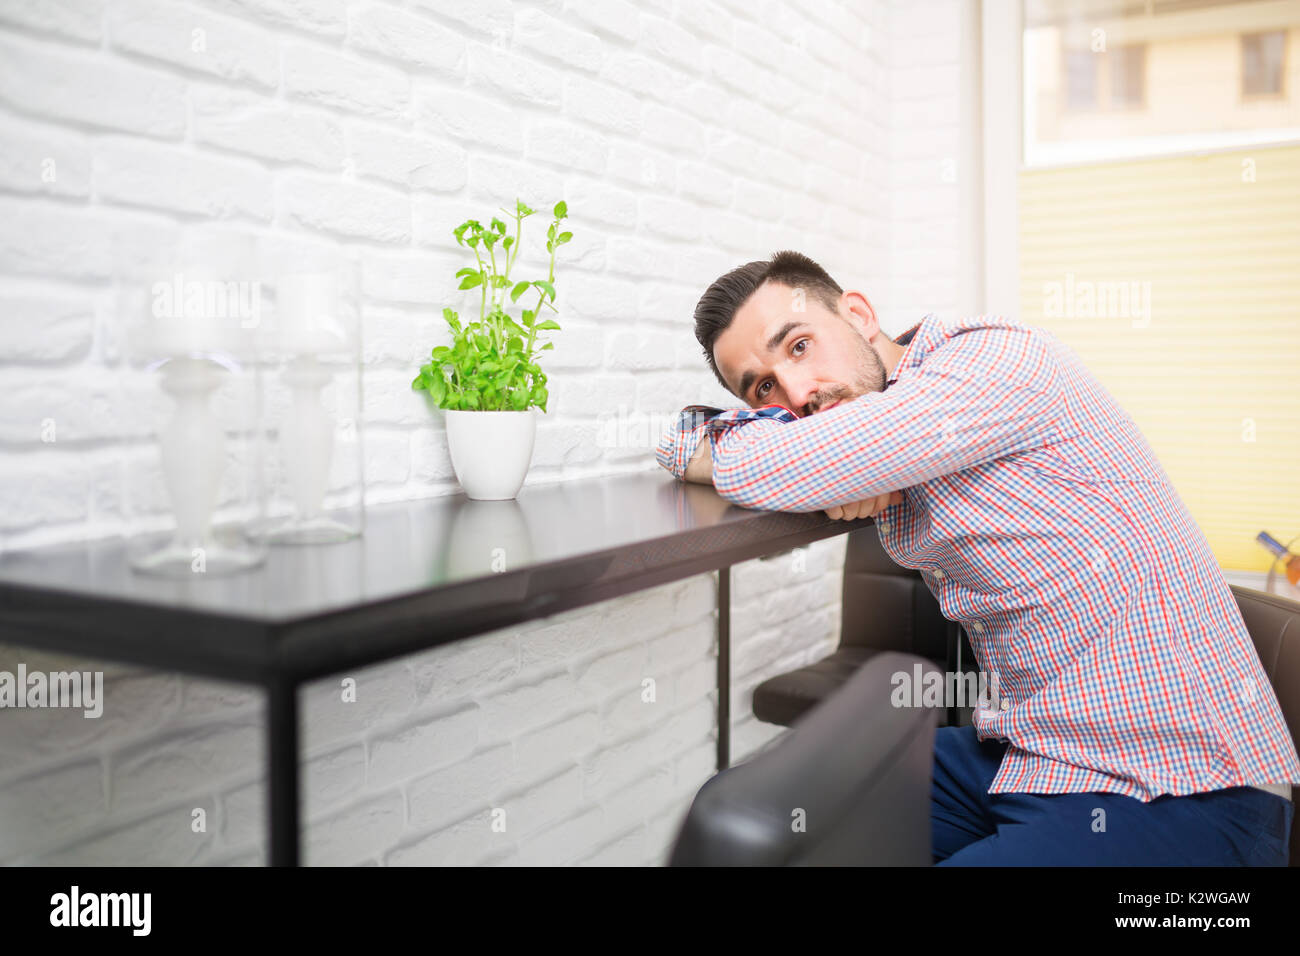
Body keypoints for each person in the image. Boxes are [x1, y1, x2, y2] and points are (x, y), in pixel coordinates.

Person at [656, 249, 1299, 865]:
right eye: (763, 388)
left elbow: (797, 457)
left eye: (799, 346)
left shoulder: (990, 359)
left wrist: (834, 454)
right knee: (745, 816)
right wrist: (841, 450)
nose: (797, 393)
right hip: (1034, 753)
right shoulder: (887, 412)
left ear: (857, 314)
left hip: (1180, 787)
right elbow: (676, 438)